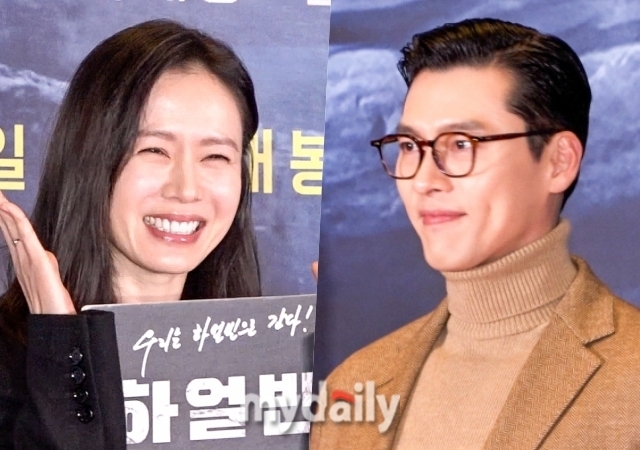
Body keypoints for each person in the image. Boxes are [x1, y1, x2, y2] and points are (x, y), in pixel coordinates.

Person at [310, 18, 640, 449]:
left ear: (559, 161)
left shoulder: (630, 375)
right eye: (409, 147)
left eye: (461, 144)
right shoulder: (354, 387)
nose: (424, 180)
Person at [0, 19, 261, 449]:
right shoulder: (10, 365)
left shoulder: (271, 363)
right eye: (154, 150)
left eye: (215, 156)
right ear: (89, 158)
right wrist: (62, 349)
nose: (186, 189)